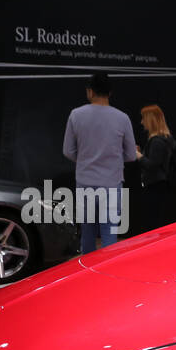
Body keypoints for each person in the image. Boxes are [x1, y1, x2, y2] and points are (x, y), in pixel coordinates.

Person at [63, 71, 135, 252]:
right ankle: (107, 278)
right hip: (112, 183)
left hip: (85, 182)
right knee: (110, 233)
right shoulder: (122, 117)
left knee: (87, 233)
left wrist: (85, 159)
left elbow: (68, 151)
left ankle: (87, 276)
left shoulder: (76, 115)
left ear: (90, 91)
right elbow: (131, 155)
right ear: (110, 93)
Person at [135, 105, 176, 234]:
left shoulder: (157, 141)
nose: (142, 122)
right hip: (159, 186)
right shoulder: (161, 140)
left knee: (155, 223)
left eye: (143, 119)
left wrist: (138, 156)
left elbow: (152, 165)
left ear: (151, 120)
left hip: (155, 187)